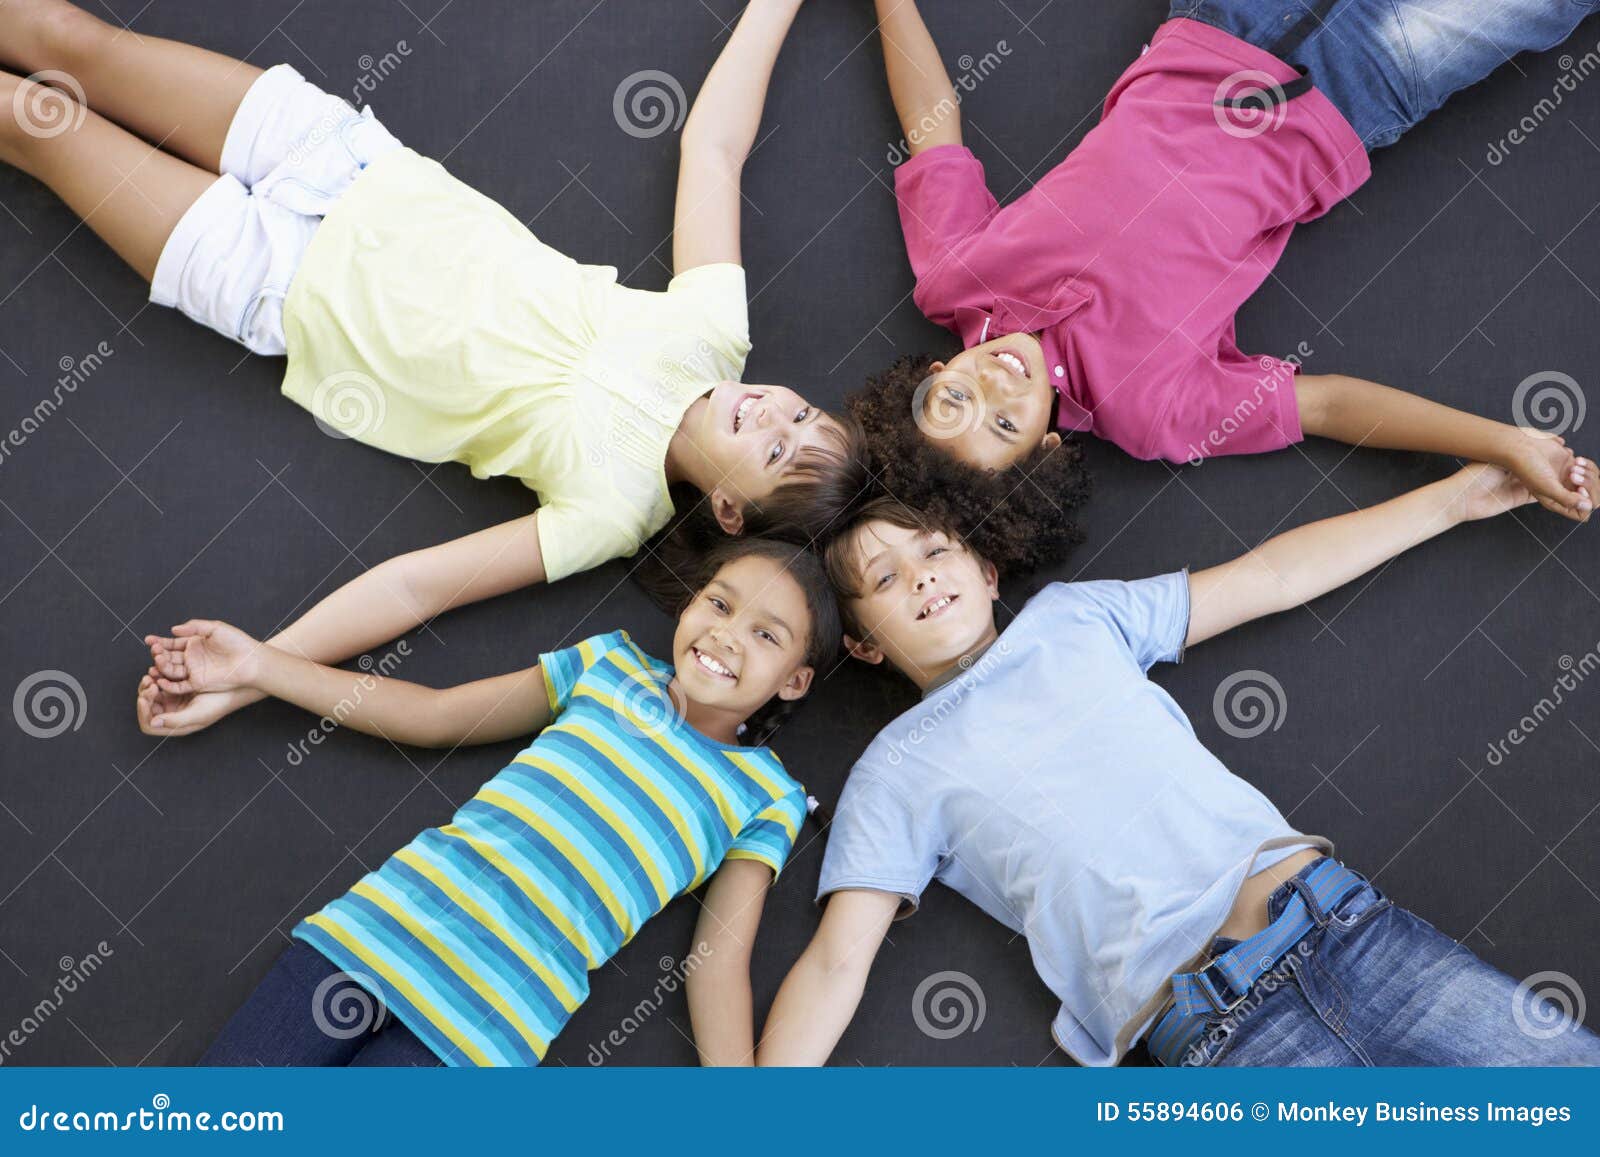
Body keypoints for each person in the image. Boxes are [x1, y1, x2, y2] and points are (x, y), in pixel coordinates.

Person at [0, 0, 864, 733]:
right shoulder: (714, 332)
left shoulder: (610, 513)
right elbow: (713, 146)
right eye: (802, 414)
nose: (774, 414)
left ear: (727, 509)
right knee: (75, 43)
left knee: (35, 124)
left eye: (776, 451)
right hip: (344, 161)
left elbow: (415, 587)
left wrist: (255, 673)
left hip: (269, 283)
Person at [756, 464, 1600, 1066]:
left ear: (984, 568)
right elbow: (835, 963)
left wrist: (1452, 500)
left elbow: (1270, 576)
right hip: (1220, 1034)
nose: (921, 579)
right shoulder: (893, 768)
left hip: (1349, 928)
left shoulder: (1074, 619)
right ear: (863, 644)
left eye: (935, 551)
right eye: (885, 579)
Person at [847, 0, 1597, 573]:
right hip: (1355, 88)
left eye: (956, 400)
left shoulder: (953, 277)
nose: (994, 386)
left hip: (1219, 22)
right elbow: (1329, 405)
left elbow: (932, 126)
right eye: (1005, 426)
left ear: (935, 375)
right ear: (1045, 445)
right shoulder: (1152, 412)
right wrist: (1505, 442)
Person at [138, 537, 839, 1066]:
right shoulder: (609, 664)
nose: (725, 633)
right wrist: (259, 664)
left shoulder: (765, 795)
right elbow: (437, 714)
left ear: (795, 681)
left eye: (765, 634)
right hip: (374, 938)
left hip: (484, 1034)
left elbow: (718, 959)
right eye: (719, 602)